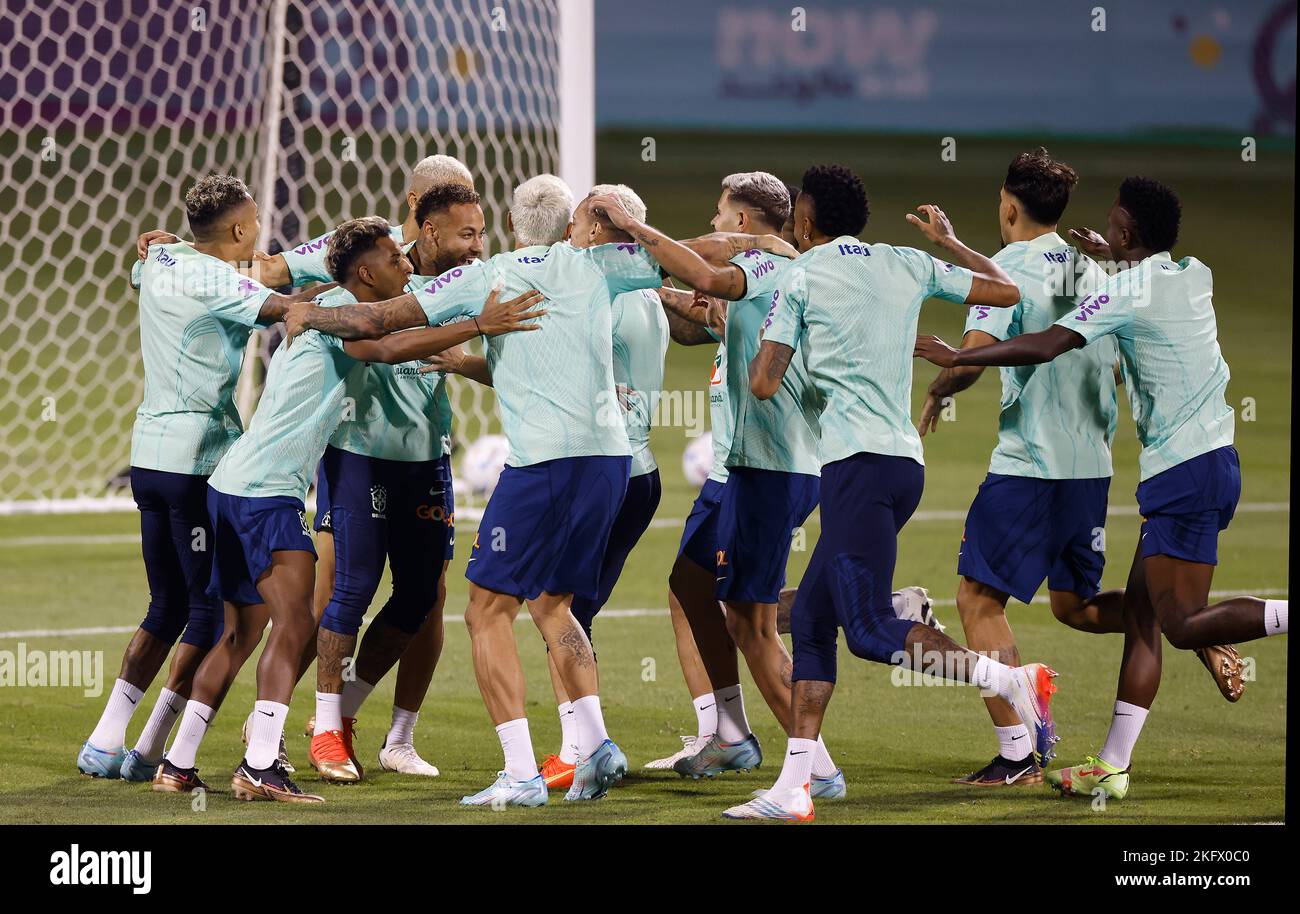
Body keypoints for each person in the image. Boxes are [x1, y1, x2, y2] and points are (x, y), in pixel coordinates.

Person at [915, 176, 1288, 800]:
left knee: (994, 601)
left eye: (1116, 225)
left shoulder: (1112, 288)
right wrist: (1107, 258)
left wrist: (956, 360)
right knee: (1110, 611)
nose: (1108, 228)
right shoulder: (1187, 272)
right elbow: (1123, 312)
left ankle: (1017, 752)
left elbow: (1043, 344)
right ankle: (1112, 764)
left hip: (1134, 469)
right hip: (1166, 464)